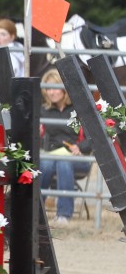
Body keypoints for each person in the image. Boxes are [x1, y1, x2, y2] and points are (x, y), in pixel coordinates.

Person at [38, 69, 91, 225]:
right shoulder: (43, 111)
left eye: (55, 88)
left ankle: (63, 214)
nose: (51, 93)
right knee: (47, 162)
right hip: (51, 155)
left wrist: (80, 147)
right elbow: (38, 137)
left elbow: (93, 137)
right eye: (48, 89)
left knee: (63, 162)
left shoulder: (77, 110)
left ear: (64, 89)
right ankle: (36, 211)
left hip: (78, 158)